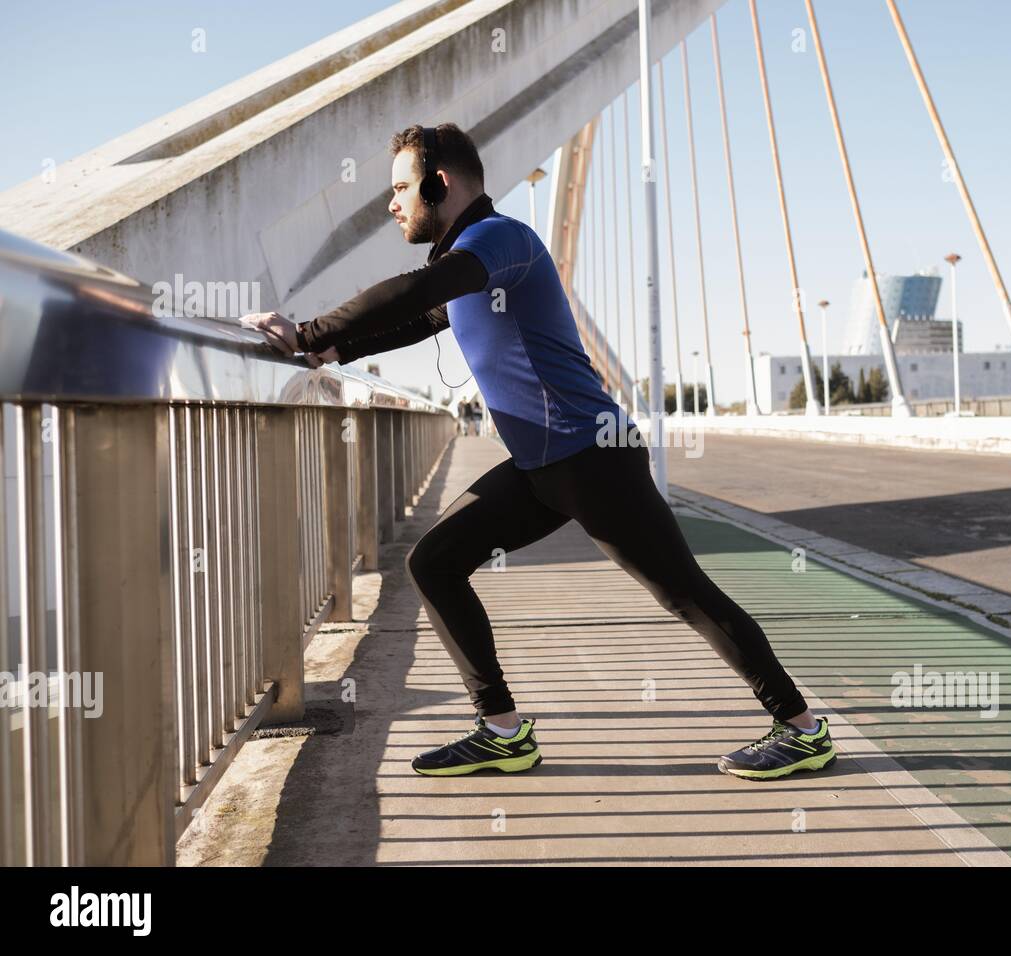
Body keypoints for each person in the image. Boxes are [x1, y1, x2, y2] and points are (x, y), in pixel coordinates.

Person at [242, 123, 834, 781]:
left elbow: (416, 293)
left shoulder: (498, 240)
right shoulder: (470, 266)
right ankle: (500, 730)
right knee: (434, 562)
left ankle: (801, 728)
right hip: (539, 468)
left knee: (685, 594)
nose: (392, 204)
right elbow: (420, 320)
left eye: (402, 188)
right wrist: (334, 349)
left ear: (440, 184)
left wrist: (308, 331)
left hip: (592, 457)